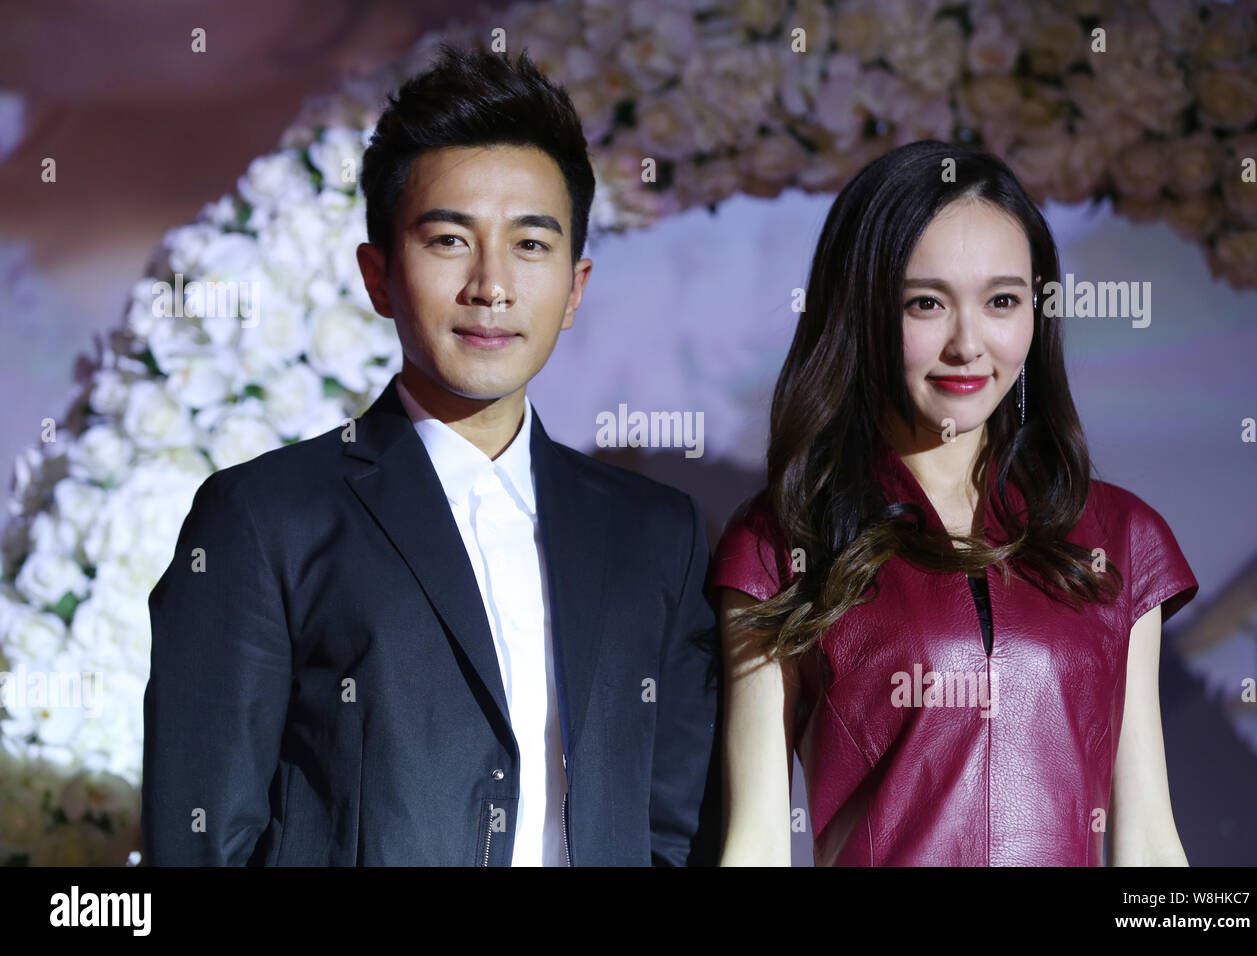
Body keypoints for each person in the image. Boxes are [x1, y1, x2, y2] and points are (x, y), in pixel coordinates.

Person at [142, 44, 721, 866]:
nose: (492, 284)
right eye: (449, 240)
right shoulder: (264, 519)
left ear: (576, 287)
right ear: (378, 276)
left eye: (530, 245)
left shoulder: (657, 535)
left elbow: (675, 831)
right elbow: (200, 845)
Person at [710, 139, 1198, 866]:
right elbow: (753, 843)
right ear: (861, 312)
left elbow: (1150, 841)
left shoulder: (1122, 537)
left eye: (1002, 301)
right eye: (926, 303)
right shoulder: (780, 543)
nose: (968, 343)